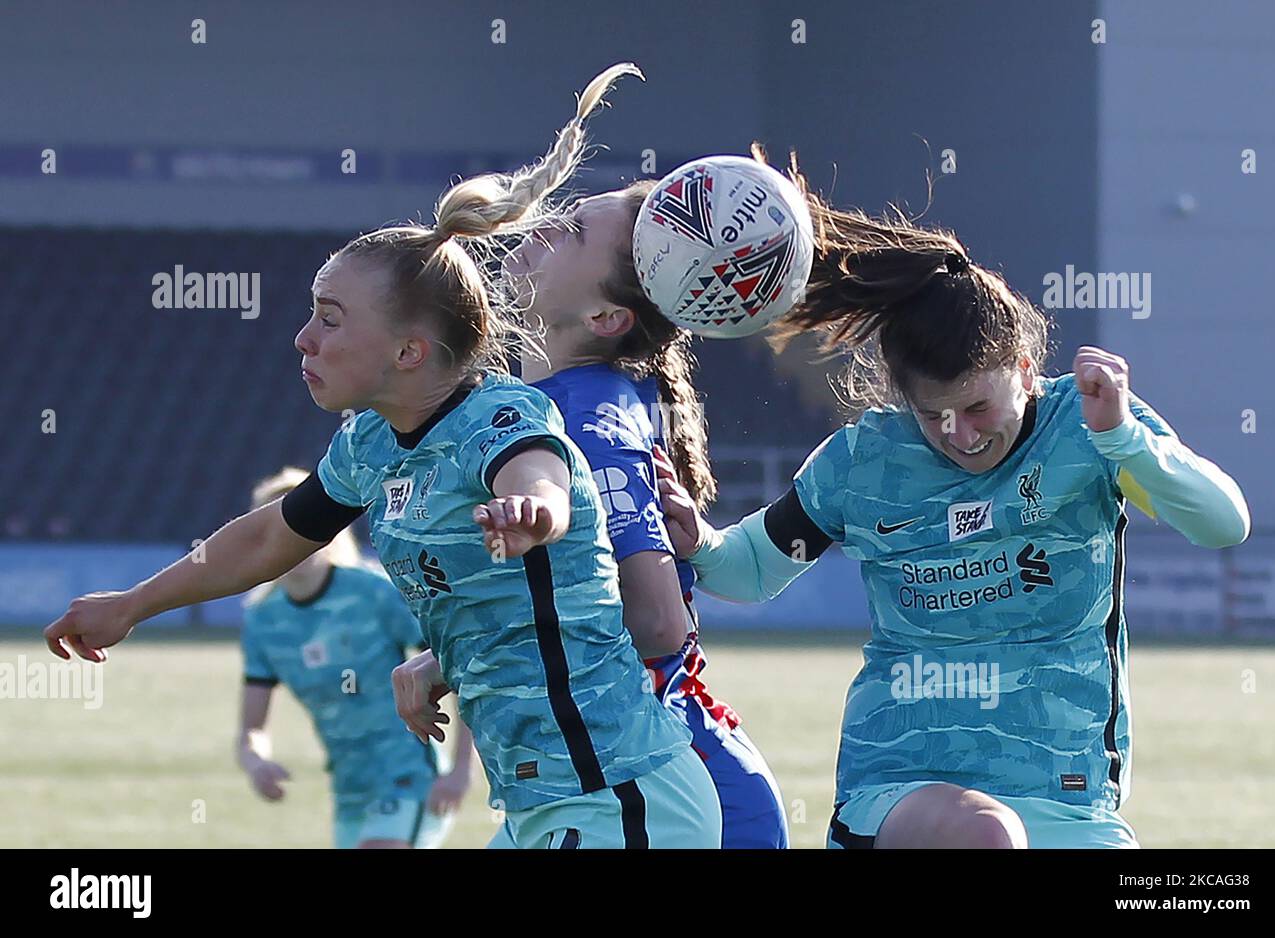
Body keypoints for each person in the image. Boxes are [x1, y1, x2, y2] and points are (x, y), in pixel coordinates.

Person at [44, 63, 722, 850]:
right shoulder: (370, 444)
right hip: (547, 805)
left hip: (622, 796)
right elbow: (268, 539)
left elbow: (542, 480)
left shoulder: (503, 414)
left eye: (330, 319)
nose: (304, 339)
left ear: (409, 350)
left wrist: (534, 514)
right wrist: (132, 604)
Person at [652, 150, 1250, 848]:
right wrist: (701, 542)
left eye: (975, 407)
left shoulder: (1091, 429)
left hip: (1067, 802)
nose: (957, 435)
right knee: (987, 837)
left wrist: (1124, 438)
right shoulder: (865, 459)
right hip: (901, 792)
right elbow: (751, 571)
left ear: (1024, 370)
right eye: (931, 414)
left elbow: (1221, 524)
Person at [495, 178, 788, 848]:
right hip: (615, 783)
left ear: (605, 317)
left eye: (571, 231)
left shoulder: (590, 419)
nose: (542, 226)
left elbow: (657, 622)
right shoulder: (566, 402)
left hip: (668, 796)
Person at [237, 466, 474, 848]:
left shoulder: (374, 593)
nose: (287, 542)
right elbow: (252, 729)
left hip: (408, 778)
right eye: (274, 532)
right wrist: (255, 762)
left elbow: (458, 662)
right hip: (350, 791)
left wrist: (462, 769)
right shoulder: (263, 620)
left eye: (299, 527)